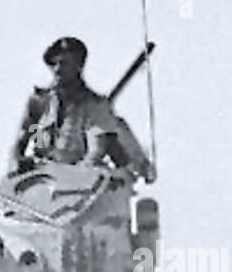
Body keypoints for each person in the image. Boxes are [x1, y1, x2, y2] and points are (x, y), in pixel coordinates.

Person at [12, 36, 156, 182]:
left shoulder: (94, 106)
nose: (57, 69)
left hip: (79, 183)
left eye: (64, 63)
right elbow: (24, 141)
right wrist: (19, 161)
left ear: (78, 66)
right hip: (41, 182)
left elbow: (98, 150)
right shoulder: (39, 103)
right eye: (54, 64)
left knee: (116, 128)